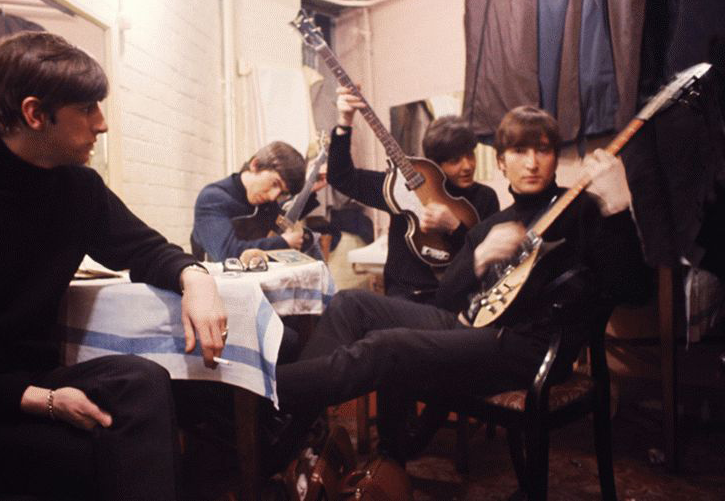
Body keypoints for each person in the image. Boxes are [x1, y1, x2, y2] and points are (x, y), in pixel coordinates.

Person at [0, 31, 227, 501]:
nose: (101, 124)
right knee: (102, 458)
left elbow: (146, 250)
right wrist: (42, 401)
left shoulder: (78, 190)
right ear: (34, 113)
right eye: (87, 109)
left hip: (38, 380)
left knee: (144, 380)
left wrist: (197, 278)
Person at [275, 105, 651, 463]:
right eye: (519, 151)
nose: (532, 163)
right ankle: (292, 428)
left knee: (385, 347)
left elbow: (636, 291)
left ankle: (266, 392)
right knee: (350, 303)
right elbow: (445, 304)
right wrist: (477, 257)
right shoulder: (491, 223)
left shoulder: (581, 210)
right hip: (477, 329)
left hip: (529, 349)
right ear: (501, 162)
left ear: (554, 156)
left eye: (543, 150)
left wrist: (620, 208)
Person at [329, 86, 500, 303]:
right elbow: (341, 177)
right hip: (404, 298)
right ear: (435, 164)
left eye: (470, 155)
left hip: (454, 302)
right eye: (455, 160)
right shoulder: (402, 188)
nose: (467, 166)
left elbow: (486, 258)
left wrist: (455, 228)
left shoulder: (485, 198)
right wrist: (345, 122)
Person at [191, 141, 323, 261]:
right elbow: (226, 253)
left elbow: (281, 222)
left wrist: (309, 191)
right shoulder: (212, 198)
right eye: (275, 183)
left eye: (282, 193)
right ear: (256, 164)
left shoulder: (266, 203)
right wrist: (283, 242)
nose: (273, 197)